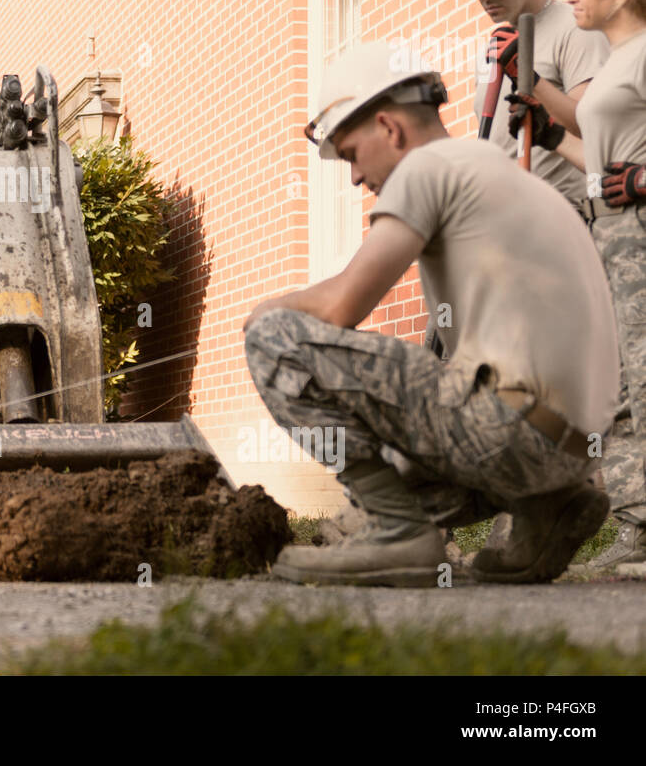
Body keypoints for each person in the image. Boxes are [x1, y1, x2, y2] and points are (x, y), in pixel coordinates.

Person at [243, 40, 616, 586]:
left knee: (276, 338)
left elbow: (342, 304)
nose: (352, 178)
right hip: (573, 449)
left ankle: (398, 537)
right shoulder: (495, 167)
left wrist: (261, 312)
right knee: (393, 477)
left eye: (350, 154)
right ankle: (550, 508)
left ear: (390, 128)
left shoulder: (425, 170)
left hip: (509, 432)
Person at [508, 0, 646, 568]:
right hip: (609, 234)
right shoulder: (620, 60)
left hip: (639, 234)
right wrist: (539, 110)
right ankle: (637, 527)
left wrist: (643, 179)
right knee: (619, 390)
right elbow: (595, 152)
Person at [449, 0, 608, 212]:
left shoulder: (575, 29)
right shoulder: (496, 49)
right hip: (509, 225)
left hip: (564, 220)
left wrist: (529, 78)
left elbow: (594, 129)